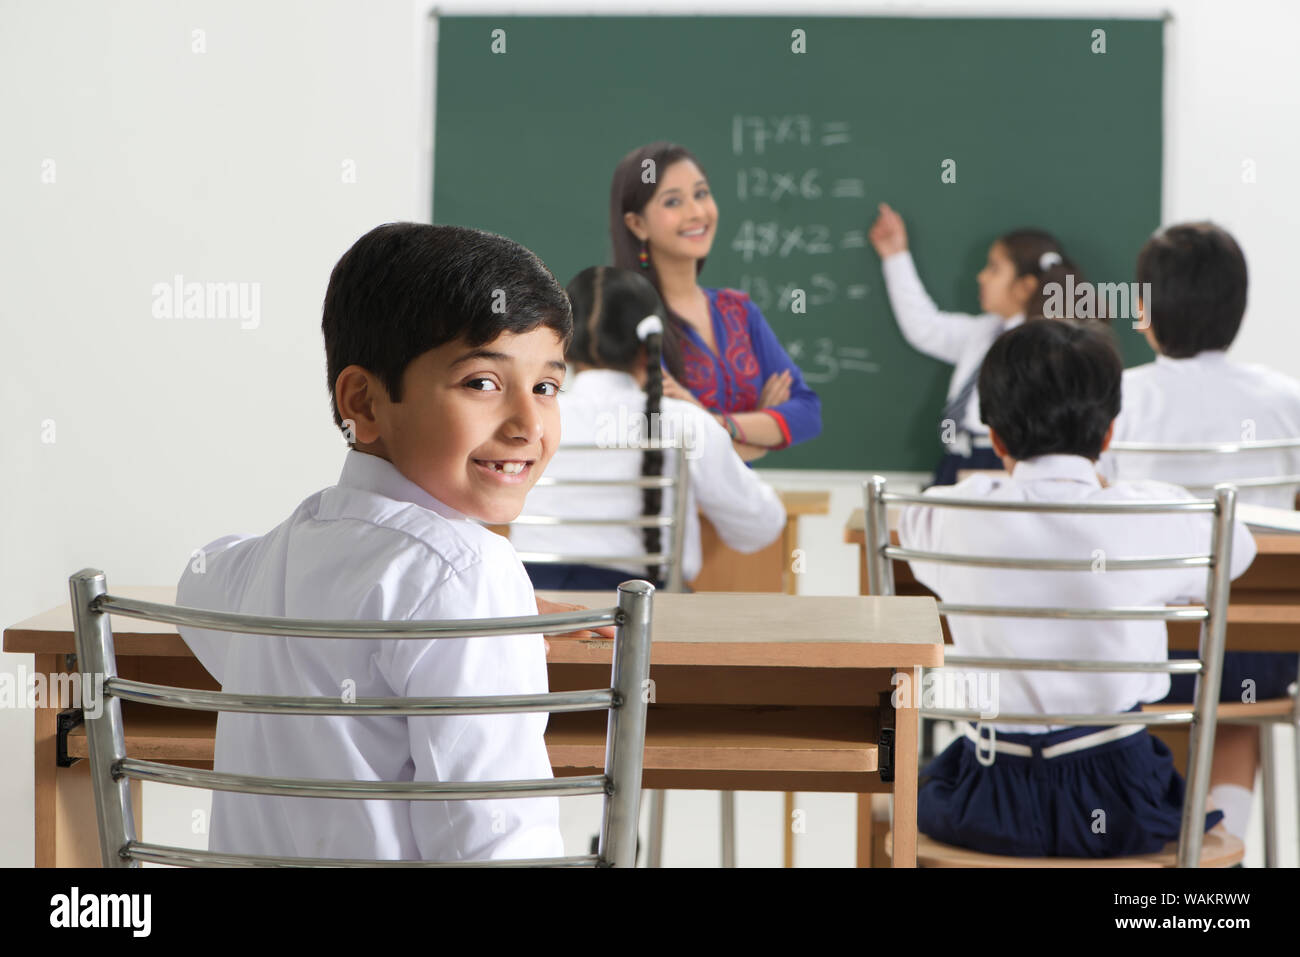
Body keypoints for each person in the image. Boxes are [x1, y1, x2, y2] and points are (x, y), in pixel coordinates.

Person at [175, 223, 587, 862]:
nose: (528, 424)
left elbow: (197, 579)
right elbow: (499, 844)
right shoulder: (470, 573)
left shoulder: (287, 549)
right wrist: (477, 611)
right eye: (482, 382)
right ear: (363, 401)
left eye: (546, 387)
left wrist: (480, 619)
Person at [899, 319, 1256, 857]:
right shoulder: (1154, 516)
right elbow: (1242, 546)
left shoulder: (950, 515)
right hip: (1119, 796)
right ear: (1109, 433)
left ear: (994, 437)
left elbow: (909, 519)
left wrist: (987, 486)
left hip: (987, 796)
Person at [1101, 221, 1300, 843]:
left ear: (1146, 310)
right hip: (1255, 649)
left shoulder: (1117, 398)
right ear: (1237, 308)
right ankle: (1222, 852)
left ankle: (1154, 843)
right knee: (1232, 701)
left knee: (1145, 671)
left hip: (1145, 647)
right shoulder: (1285, 399)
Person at [513, 266, 786, 590]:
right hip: (644, 615)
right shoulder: (685, 423)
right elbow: (760, 526)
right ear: (650, 347)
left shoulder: (527, 416)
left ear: (564, 345)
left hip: (533, 614)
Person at [610, 141, 821, 462]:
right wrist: (759, 431)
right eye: (673, 202)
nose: (696, 212)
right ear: (637, 225)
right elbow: (667, 439)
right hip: (670, 508)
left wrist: (715, 424)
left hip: (739, 507)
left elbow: (807, 412)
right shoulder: (629, 321)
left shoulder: (738, 310)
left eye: (701, 194)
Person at [869, 202, 1087, 486]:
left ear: (1026, 286)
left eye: (994, 269)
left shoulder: (1047, 347)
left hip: (1007, 463)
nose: (981, 276)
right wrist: (895, 256)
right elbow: (924, 327)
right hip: (960, 457)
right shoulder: (985, 333)